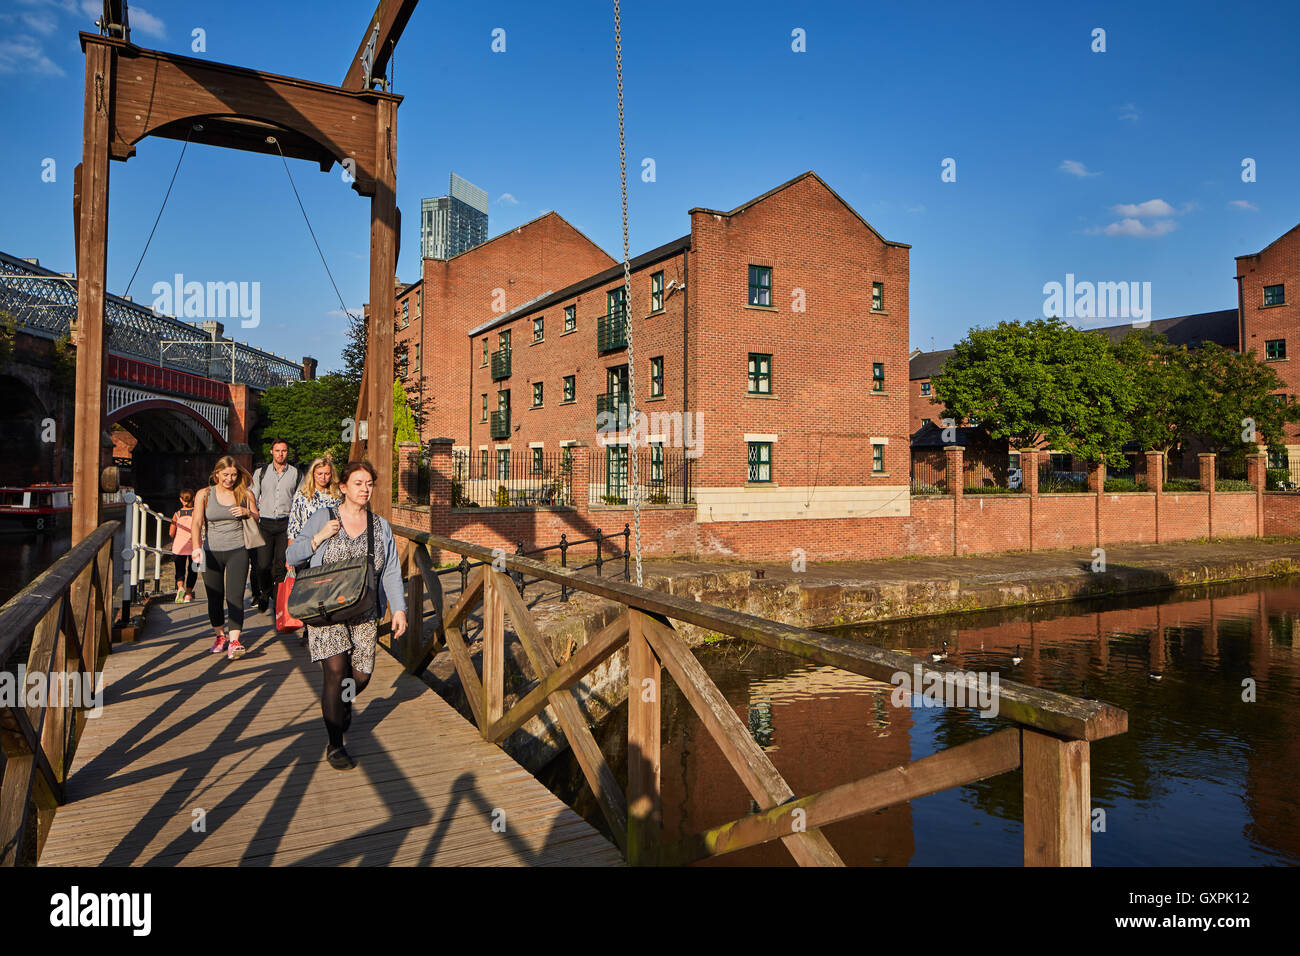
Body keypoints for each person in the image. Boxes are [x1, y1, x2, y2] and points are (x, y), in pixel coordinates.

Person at [286, 460, 407, 771]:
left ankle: (344, 704)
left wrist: (399, 610)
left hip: (364, 610)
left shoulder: (380, 527)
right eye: (358, 483)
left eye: (369, 483)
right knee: (336, 673)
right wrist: (318, 537)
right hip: (326, 610)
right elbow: (292, 555)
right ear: (343, 487)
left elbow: (391, 570)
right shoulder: (323, 518)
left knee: (361, 676)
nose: (365, 489)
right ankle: (335, 743)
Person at [193, 456, 259, 660]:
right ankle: (220, 636)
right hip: (211, 551)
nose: (230, 479)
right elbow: (196, 522)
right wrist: (196, 547)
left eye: (233, 475)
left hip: (237, 550)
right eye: (225, 475)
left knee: (235, 596)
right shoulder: (204, 494)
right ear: (216, 474)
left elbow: (258, 517)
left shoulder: (244, 493)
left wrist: (247, 511)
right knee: (214, 596)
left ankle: (235, 641)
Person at [284, 457, 342, 646]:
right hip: (307, 547)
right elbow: (294, 524)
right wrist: (291, 552)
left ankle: (327, 627)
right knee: (309, 591)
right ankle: (310, 630)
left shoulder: (337, 495)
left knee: (326, 589)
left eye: (327, 474)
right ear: (313, 475)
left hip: (329, 549)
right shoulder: (303, 495)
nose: (324, 477)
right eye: (320, 474)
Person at [250, 439, 301, 614]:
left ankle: (279, 605)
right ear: (271, 452)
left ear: (288, 453)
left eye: (284, 451)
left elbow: (300, 500)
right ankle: (265, 592)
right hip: (265, 522)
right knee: (262, 565)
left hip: (285, 524)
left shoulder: (295, 474)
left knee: (280, 566)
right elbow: (253, 496)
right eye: (277, 450)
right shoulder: (261, 473)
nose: (281, 454)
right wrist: (253, 513)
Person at [168, 489, 198, 602]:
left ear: (181, 500)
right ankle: (188, 594)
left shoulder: (176, 515)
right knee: (193, 570)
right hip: (195, 547)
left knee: (179, 570)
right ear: (194, 499)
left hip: (179, 547)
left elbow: (171, 533)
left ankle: (180, 587)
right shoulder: (197, 513)